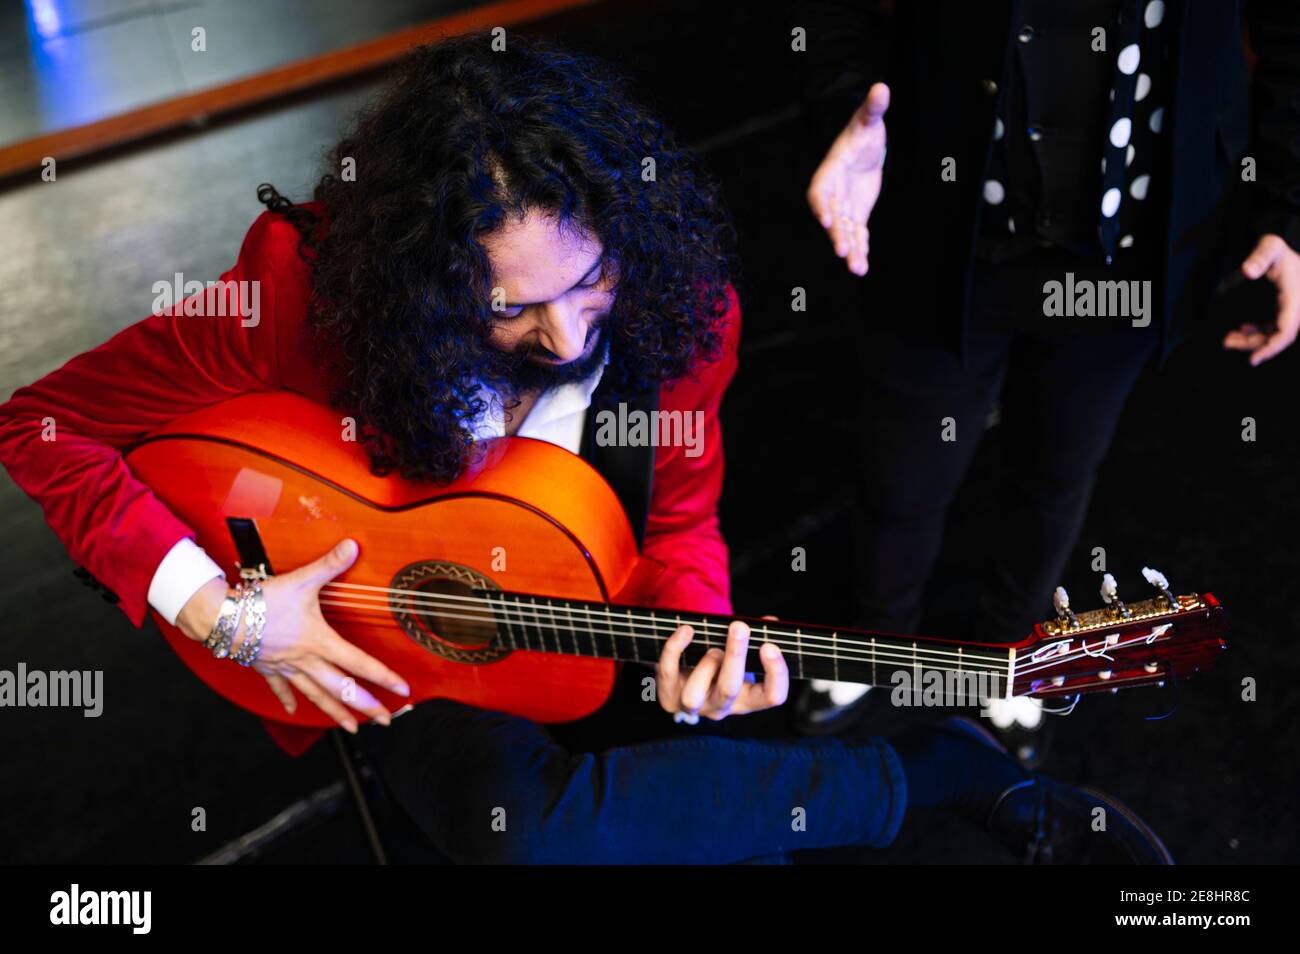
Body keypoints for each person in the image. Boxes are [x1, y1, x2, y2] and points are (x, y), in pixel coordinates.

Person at [0, 34, 1169, 863]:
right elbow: (40, 422)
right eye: (509, 310)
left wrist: (702, 627)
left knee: (702, 814)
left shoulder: (684, 309)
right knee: (522, 835)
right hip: (367, 646)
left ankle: (947, 746)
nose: (563, 336)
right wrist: (227, 611)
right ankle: (923, 781)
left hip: (573, 600)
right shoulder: (296, 289)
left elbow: (674, 522)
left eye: (588, 283)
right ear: (418, 281)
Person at [795, 0, 1300, 750]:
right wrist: (843, 108)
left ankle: (1012, 657)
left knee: (1059, 466)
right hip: (938, 215)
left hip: (1136, 240)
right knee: (901, 471)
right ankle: (873, 642)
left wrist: (1287, 204)